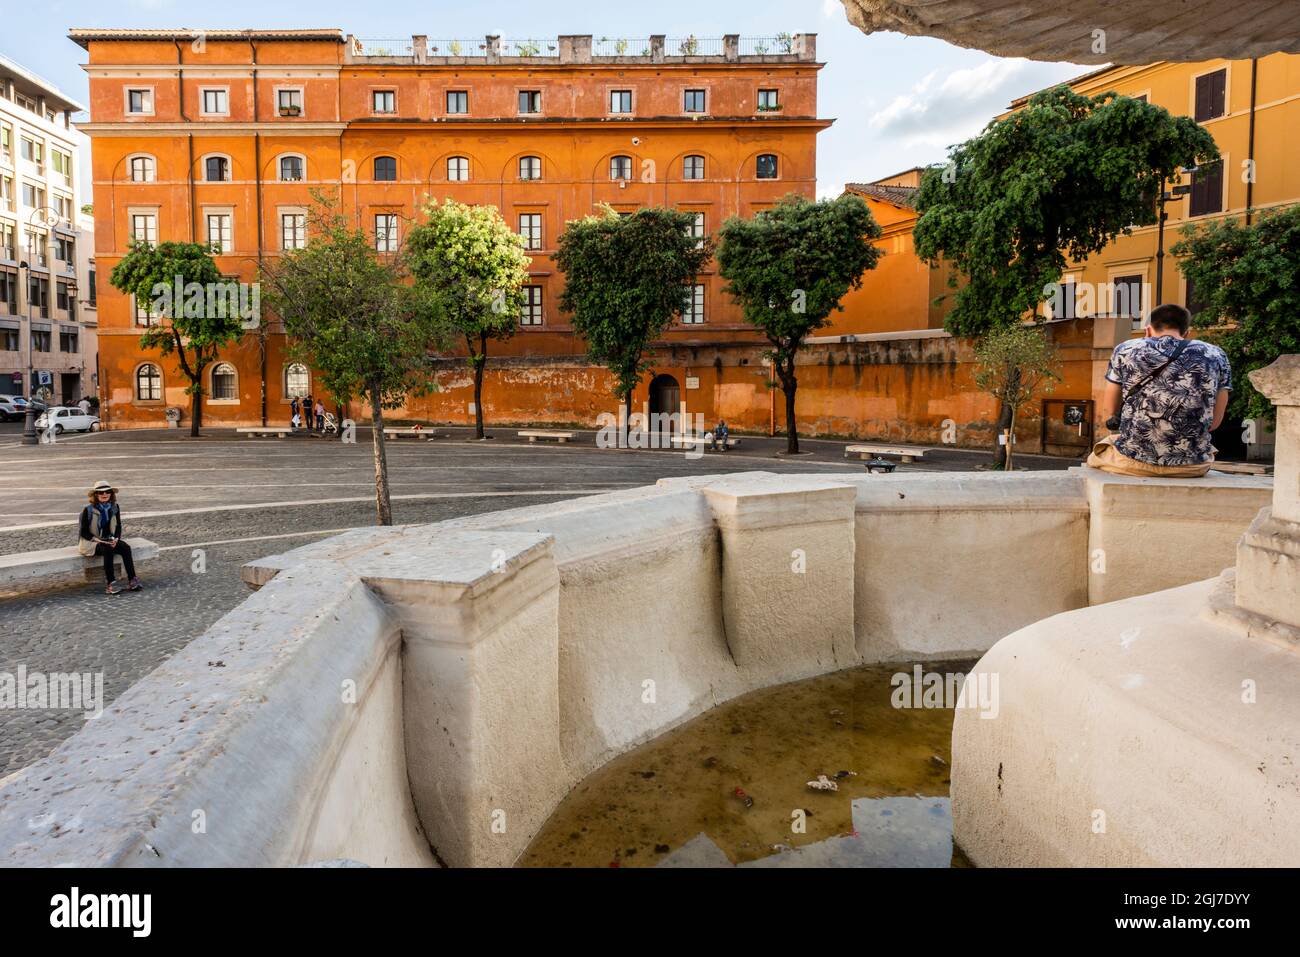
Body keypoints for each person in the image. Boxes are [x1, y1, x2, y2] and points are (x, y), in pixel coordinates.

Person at [1087, 303, 1230, 478]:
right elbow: (1214, 423)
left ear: (1148, 331)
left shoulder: (1126, 350)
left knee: (1100, 451)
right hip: (1192, 465)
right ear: (1186, 334)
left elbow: (1109, 413)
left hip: (1133, 462)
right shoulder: (1216, 354)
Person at [78, 480, 142, 595]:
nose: (104, 494)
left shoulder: (114, 507)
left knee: (125, 547)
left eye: (107, 492)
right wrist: (98, 540)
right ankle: (111, 584)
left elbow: (118, 526)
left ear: (111, 494)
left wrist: (116, 538)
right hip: (91, 542)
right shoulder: (88, 510)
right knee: (108, 549)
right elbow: (83, 532)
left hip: (108, 539)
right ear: (95, 495)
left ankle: (132, 580)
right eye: (100, 492)